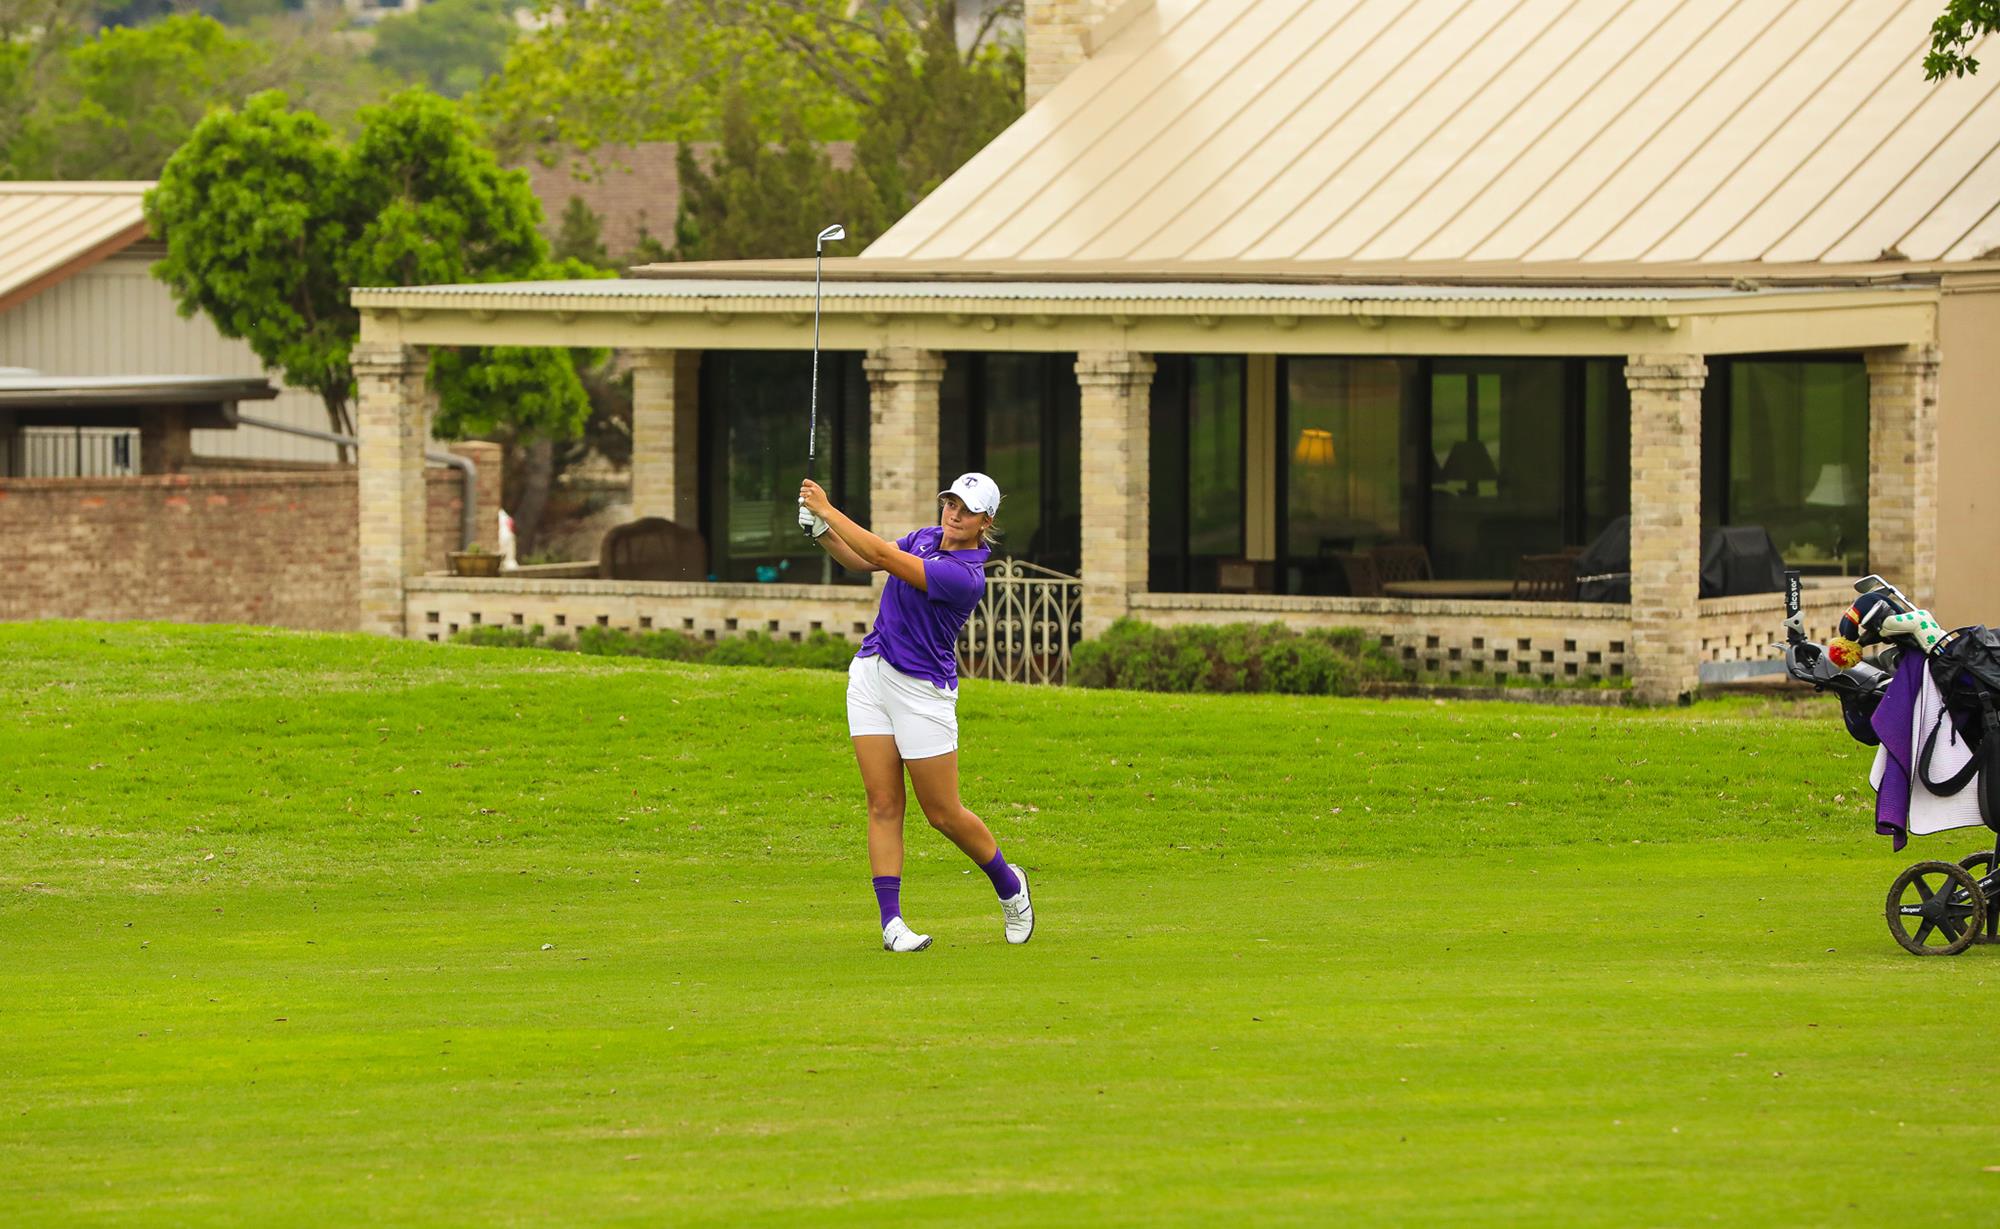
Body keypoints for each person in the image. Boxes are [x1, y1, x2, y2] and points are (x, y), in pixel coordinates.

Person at [797, 472, 1034, 952]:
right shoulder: (925, 538)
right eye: (949, 502)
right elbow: (866, 560)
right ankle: (892, 925)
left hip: (922, 691)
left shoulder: (964, 577)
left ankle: (1010, 887)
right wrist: (823, 534)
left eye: (966, 509)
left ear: (985, 521)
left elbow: (885, 557)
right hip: (871, 674)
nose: (953, 514)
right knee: (883, 802)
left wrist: (827, 508)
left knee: (943, 813)